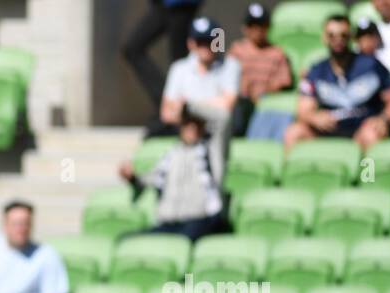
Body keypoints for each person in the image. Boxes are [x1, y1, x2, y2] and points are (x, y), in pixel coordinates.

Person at [286, 14, 390, 151]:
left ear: (351, 37)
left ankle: (370, 173)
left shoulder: (371, 66)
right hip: (327, 131)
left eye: (343, 35)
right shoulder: (316, 71)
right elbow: (303, 109)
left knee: (372, 134)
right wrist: (314, 117)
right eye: (332, 35)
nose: (338, 40)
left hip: (361, 128)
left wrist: (384, 119)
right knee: (294, 132)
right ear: (324, 38)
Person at [120, 110, 226, 241]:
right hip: (170, 222)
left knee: (183, 238)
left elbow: (222, 119)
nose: (191, 129)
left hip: (199, 220)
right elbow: (150, 180)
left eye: (196, 125)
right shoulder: (171, 155)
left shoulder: (211, 152)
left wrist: (186, 105)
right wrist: (132, 177)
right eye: (187, 125)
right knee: (128, 239)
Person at [160, 16, 239, 174]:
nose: (205, 47)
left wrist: (189, 107)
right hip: (186, 131)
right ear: (191, 43)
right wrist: (206, 107)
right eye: (200, 42)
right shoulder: (179, 69)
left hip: (217, 133)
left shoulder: (230, 65)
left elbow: (227, 106)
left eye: (209, 41)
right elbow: (166, 113)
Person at [122, 0, 206, 110]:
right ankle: (167, 102)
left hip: (182, 6)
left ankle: (181, 109)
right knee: (132, 48)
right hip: (162, 5)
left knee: (179, 63)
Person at [228, 4, 293, 137]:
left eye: (261, 25)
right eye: (253, 25)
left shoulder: (277, 53)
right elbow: (227, 78)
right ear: (245, 28)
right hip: (241, 104)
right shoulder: (237, 50)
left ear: (268, 27)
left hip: (265, 104)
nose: (257, 30)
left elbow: (284, 82)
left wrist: (263, 91)